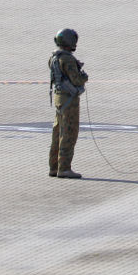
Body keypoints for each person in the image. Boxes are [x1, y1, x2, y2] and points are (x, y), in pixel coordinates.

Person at [48, 28, 89, 178]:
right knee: (69, 133)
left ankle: (54, 167)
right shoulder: (67, 59)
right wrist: (83, 77)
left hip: (59, 98)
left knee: (57, 132)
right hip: (69, 100)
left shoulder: (53, 57)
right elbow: (76, 79)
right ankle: (64, 168)